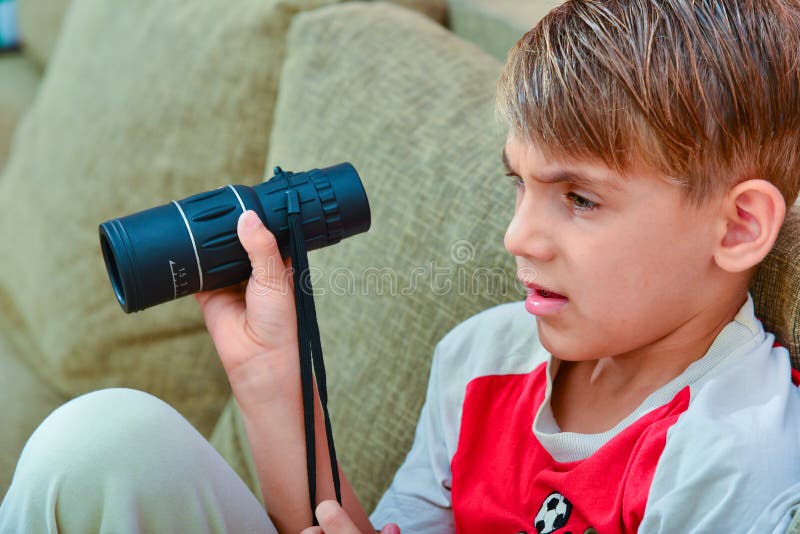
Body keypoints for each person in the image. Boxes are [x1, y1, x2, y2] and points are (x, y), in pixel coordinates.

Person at [1, 0, 799, 532]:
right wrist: (270, 379)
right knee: (103, 441)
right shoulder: (483, 358)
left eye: (579, 200)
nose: (520, 235)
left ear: (737, 227)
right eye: (518, 184)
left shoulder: (736, 462)